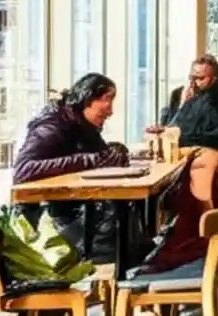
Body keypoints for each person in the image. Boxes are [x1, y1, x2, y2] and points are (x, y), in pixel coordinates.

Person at [13, 73, 131, 259]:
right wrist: (88, 160)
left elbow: (99, 155)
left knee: (126, 216)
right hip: (46, 223)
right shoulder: (52, 125)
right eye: (107, 100)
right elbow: (24, 169)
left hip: (71, 210)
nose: (110, 111)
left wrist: (116, 152)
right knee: (115, 241)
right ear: (87, 99)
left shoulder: (82, 124)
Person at [156, 54, 218, 150]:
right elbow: (169, 132)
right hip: (182, 149)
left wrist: (189, 139)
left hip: (214, 149)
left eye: (201, 78)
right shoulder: (179, 94)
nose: (195, 83)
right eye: (192, 78)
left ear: (214, 79)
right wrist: (183, 104)